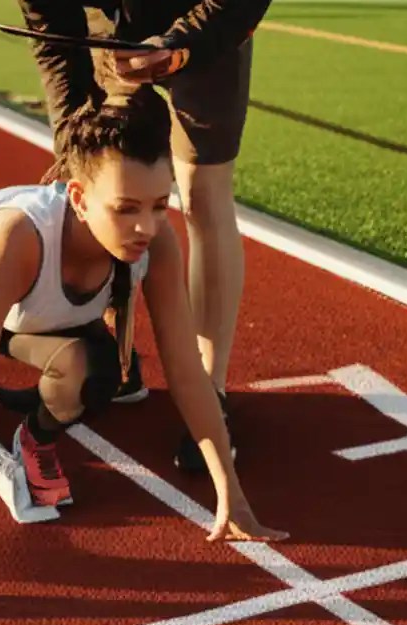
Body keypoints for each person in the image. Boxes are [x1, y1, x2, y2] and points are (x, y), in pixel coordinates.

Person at [0, 87, 287, 617]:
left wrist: (234, 498)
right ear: (79, 198)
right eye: (126, 208)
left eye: (160, 205)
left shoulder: (154, 244)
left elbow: (186, 372)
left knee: (99, 374)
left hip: (28, 316)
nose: (146, 226)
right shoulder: (16, 239)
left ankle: (31, 434)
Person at [18, 0, 270, 471]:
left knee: (202, 196)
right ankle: (117, 358)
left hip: (204, 16)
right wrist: (74, 141)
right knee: (103, 184)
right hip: (110, 30)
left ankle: (208, 393)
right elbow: (52, 32)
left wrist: (179, 49)